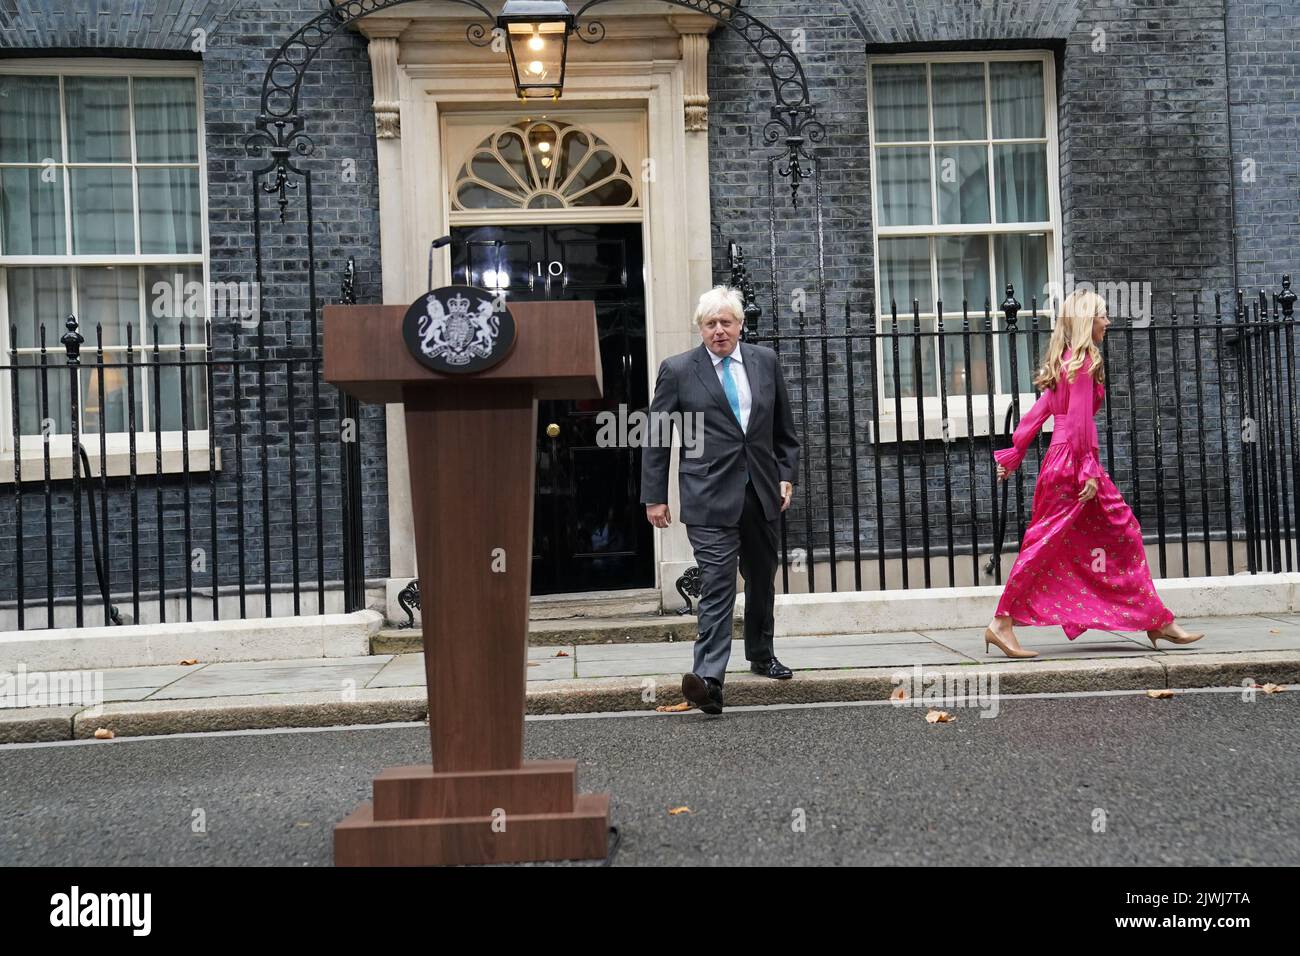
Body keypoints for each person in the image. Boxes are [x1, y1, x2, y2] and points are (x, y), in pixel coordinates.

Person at [985, 288, 1204, 658]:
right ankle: (1001, 623)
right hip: (1075, 463)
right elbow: (1082, 423)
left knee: (1072, 539)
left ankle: (1154, 619)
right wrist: (1087, 471)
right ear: (1089, 321)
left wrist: (1015, 454)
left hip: (1060, 461)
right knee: (1104, 534)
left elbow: (1039, 413)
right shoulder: (1084, 361)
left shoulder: (1065, 361)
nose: (1108, 321)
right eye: (1102, 315)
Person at [641, 286, 800, 714]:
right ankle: (709, 679)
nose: (718, 331)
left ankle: (762, 654)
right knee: (717, 584)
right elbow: (656, 437)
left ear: (740, 324)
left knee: (762, 575)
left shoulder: (765, 362)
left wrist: (786, 477)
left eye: (726, 322)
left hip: (761, 491)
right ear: (700, 328)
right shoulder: (677, 370)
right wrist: (654, 497)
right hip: (708, 495)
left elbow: (785, 432)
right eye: (710, 324)